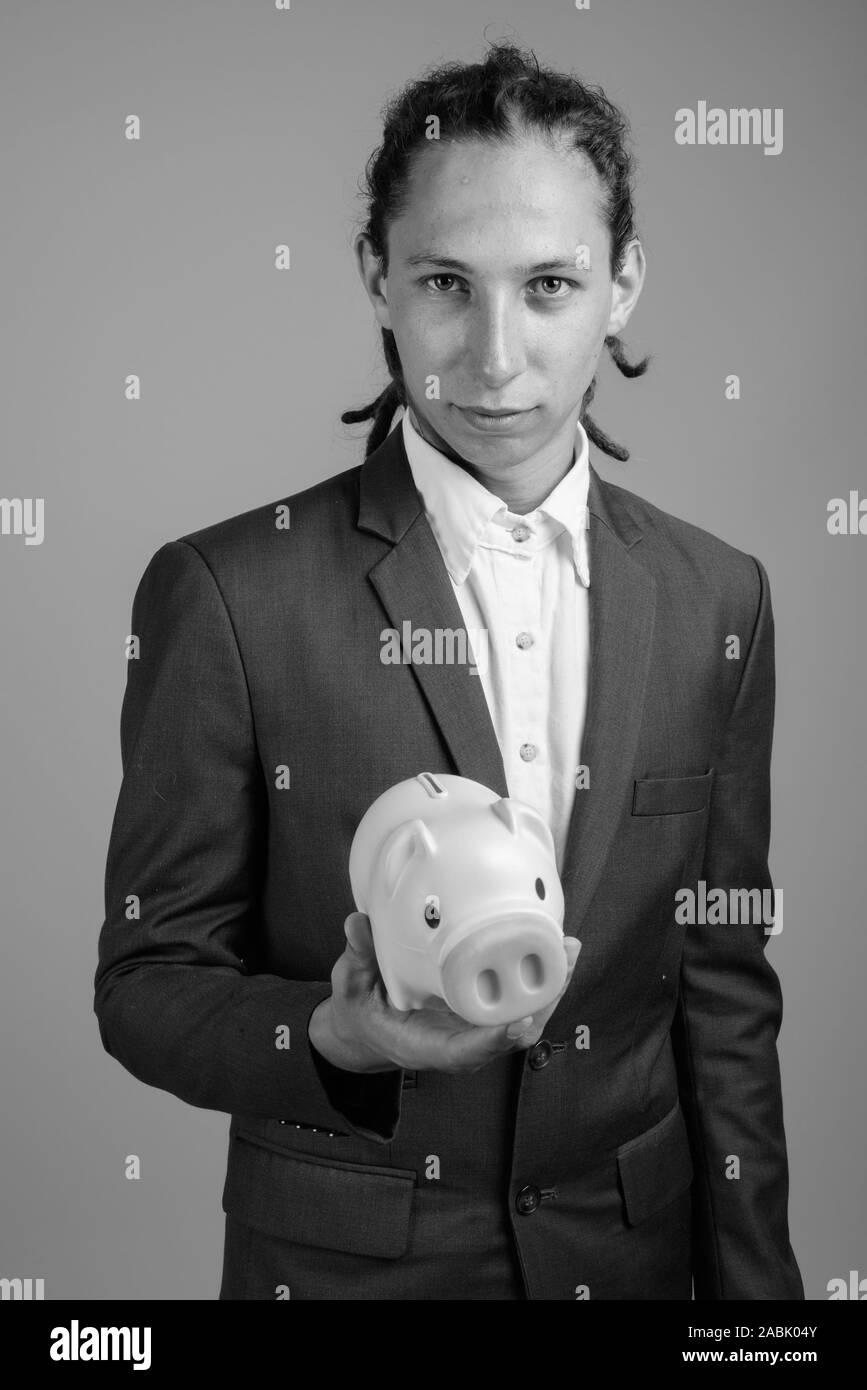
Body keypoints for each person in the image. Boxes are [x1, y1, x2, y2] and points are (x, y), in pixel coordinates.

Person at [94, 41, 804, 1300]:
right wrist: (331, 1032)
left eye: (548, 285)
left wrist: (764, 1323)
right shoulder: (228, 592)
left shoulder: (719, 598)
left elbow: (724, 986)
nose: (493, 356)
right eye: (443, 281)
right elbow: (150, 983)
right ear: (376, 275)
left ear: (623, 282)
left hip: (628, 1264)